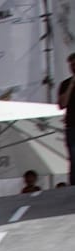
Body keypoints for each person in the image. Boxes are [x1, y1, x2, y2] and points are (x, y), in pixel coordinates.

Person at [59, 53, 74, 185]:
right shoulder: (65, 84)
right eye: (72, 65)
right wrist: (71, 84)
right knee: (73, 158)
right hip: (72, 127)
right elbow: (62, 104)